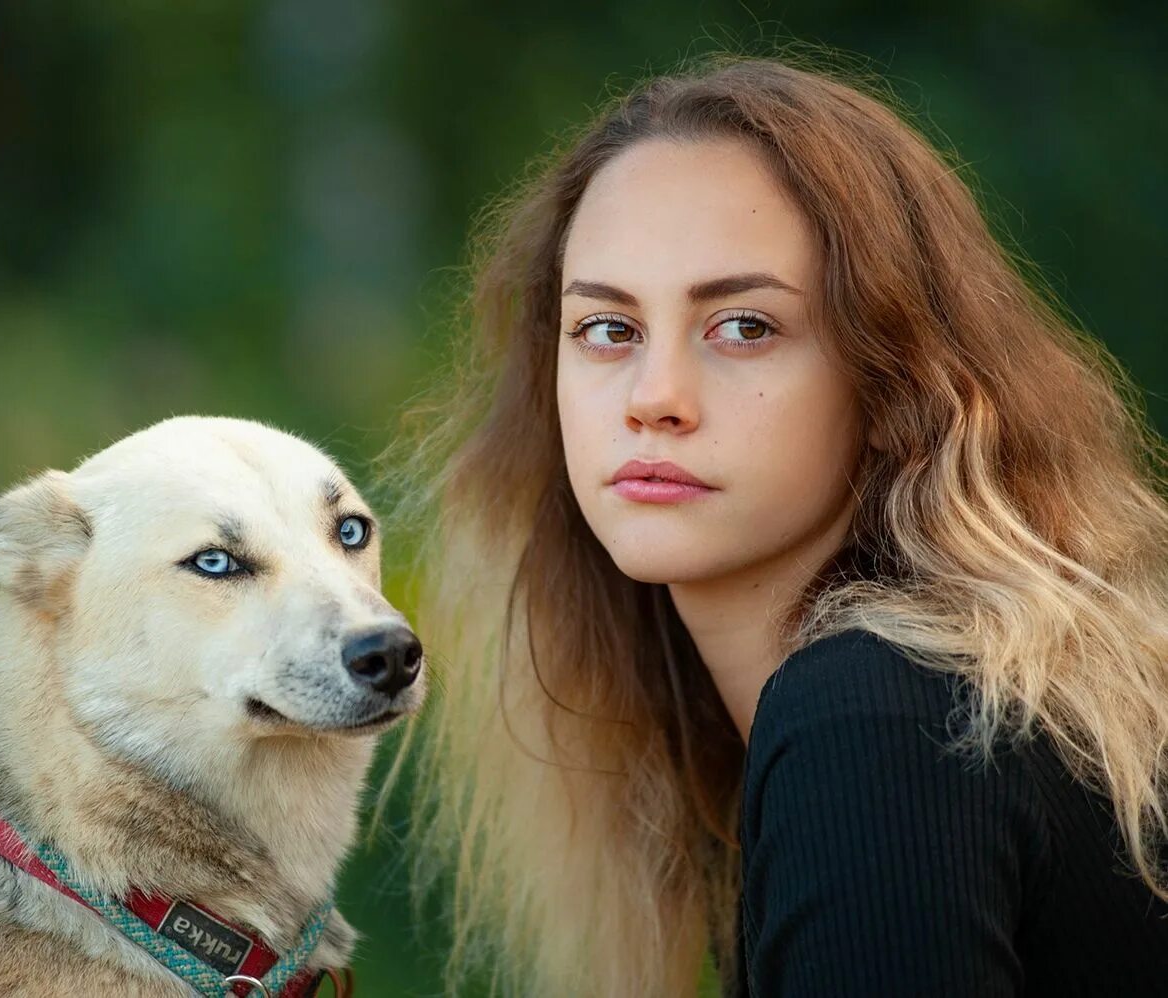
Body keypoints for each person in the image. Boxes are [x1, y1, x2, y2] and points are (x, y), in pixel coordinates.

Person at [376, 53, 1168, 996]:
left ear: (893, 383)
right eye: (607, 331)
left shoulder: (880, 720)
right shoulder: (916, 705)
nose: (654, 398)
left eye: (744, 326)